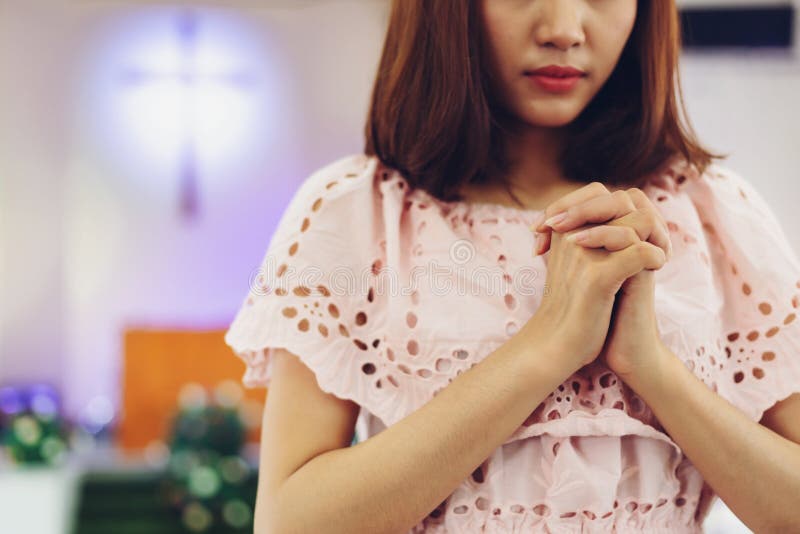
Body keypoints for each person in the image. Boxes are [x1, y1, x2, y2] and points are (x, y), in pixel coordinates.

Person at [224, 1, 800, 532]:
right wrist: (546, 347)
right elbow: (288, 522)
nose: (564, 31)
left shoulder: (716, 215)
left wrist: (649, 367)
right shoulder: (357, 211)